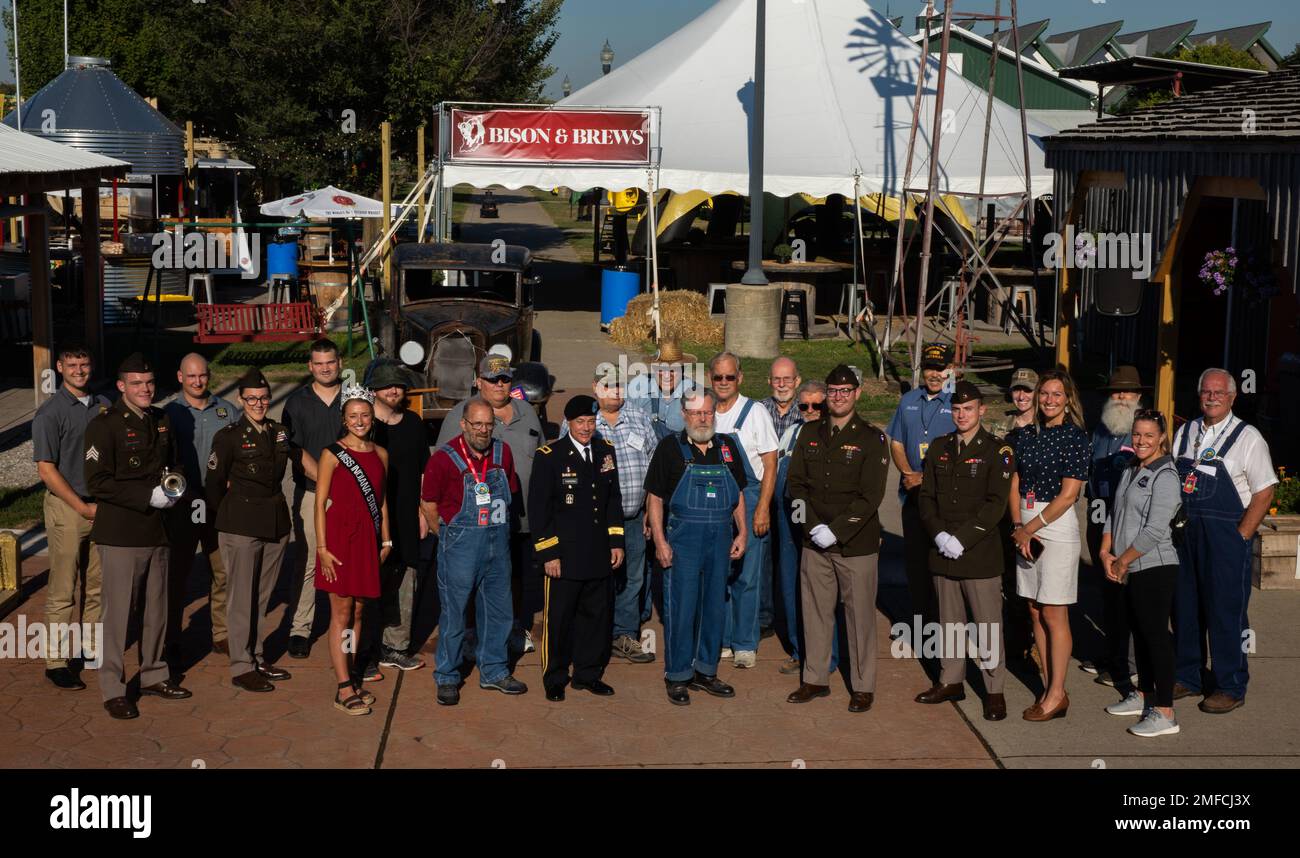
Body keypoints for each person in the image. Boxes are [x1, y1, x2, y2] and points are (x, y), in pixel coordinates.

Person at [84, 353, 192, 719]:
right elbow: (97, 481)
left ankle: (154, 674)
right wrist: (147, 496)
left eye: (148, 383)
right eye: (136, 383)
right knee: (116, 617)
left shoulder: (161, 420)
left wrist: (173, 488)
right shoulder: (105, 425)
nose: (145, 389)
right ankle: (113, 688)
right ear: (121, 386)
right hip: (121, 532)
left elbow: (175, 462)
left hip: (157, 530)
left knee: (156, 611)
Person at [1171, 368, 1276, 715]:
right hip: (1187, 534)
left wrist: (1242, 534)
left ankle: (1230, 685)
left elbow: (1265, 491)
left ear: (1232, 397)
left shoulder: (1248, 438)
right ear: (1199, 394)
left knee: (1225, 612)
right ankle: (1188, 676)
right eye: (1206, 391)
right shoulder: (1185, 432)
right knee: (1185, 607)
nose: (1212, 397)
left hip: (1226, 537)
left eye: (1219, 392)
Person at [785, 365, 889, 713]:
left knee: (859, 616)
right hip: (814, 541)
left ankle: (862, 685)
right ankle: (814, 678)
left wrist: (837, 530)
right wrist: (811, 526)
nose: (839, 396)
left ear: (858, 393)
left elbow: (871, 495)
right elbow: (794, 487)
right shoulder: (809, 433)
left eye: (846, 390)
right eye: (833, 390)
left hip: (854, 544)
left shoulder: (871, 439)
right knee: (814, 612)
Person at [915, 381, 1013, 721]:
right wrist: (940, 535)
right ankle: (951, 680)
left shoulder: (996, 450)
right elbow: (926, 497)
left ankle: (994, 689)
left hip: (980, 553)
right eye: (956, 409)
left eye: (968, 409)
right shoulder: (940, 447)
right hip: (943, 550)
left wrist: (963, 538)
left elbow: (995, 504)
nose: (961, 415)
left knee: (987, 626)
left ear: (981, 411)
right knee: (949, 623)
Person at [422, 398, 529, 705]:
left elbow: (510, 494)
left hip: (497, 543)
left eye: (488, 424)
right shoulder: (443, 459)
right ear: (463, 424)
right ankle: (447, 676)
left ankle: (494, 671)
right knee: (454, 615)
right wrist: (444, 535)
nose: (483, 430)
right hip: (460, 546)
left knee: (499, 610)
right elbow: (429, 503)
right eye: (477, 424)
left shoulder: (502, 452)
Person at [645, 390, 748, 705]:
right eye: (696, 413)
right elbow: (655, 498)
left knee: (714, 607)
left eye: (708, 413)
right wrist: (661, 541)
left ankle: (706, 671)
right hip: (683, 540)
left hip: (719, 538)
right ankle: (677, 675)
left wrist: (742, 533)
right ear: (684, 415)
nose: (703, 419)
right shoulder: (670, 448)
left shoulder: (727, 447)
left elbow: (739, 494)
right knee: (682, 608)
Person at [436, 353, 543, 655]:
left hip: (520, 516)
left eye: (505, 378)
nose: (499, 384)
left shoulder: (528, 412)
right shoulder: (461, 415)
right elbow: (441, 468)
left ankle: (514, 628)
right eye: (492, 379)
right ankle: (471, 632)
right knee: (470, 578)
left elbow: (543, 456)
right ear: (478, 381)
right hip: (474, 520)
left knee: (518, 576)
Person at [529, 395, 626, 701]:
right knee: (559, 620)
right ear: (568, 423)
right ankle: (555, 677)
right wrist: (548, 553)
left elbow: (612, 500)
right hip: (565, 556)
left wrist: (616, 541)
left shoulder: (605, 451)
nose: (586, 428)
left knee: (596, 619)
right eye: (580, 422)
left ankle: (588, 674)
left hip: (597, 553)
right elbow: (539, 509)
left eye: (591, 421)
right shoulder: (550, 456)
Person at [205, 369, 293, 693]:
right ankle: (241, 666)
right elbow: (213, 484)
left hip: (275, 523)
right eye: (252, 398)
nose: (259, 403)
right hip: (241, 524)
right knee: (241, 599)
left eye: (264, 397)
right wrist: (229, 513)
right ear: (240, 401)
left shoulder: (279, 432)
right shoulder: (228, 436)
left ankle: (256, 656)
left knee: (262, 596)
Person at [1009, 369, 1089, 722]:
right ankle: (1047, 685)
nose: (1050, 400)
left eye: (1057, 394)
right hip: (1024, 522)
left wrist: (1031, 528)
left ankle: (1057, 693)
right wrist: (1018, 526)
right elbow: (1015, 481)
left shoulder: (1074, 438)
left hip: (1053, 527)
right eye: (1045, 394)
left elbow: (1069, 495)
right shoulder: (1025, 434)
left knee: (1054, 612)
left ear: (1068, 399)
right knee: (1034, 609)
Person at [1099, 409, 1183, 737]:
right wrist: (1106, 552)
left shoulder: (1166, 475)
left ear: (1161, 437)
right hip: (1126, 564)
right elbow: (1114, 513)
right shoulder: (1132, 467)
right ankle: (1144, 695)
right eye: (1137, 434)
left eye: (1149, 435)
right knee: (1140, 633)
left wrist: (1122, 562)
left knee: (1156, 638)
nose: (1141, 441)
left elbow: (1153, 531)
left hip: (1154, 565)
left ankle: (1165, 711)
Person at [33, 344, 112, 690]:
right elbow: (46, 470)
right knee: (64, 587)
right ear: (61, 368)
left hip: (102, 506)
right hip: (68, 506)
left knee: (97, 585)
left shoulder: (104, 406)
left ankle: (92, 648)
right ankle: (56, 660)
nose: (80, 370)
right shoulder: (50, 413)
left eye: (85, 363)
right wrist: (80, 507)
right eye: (73, 364)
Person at [315, 384, 390, 716]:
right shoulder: (332, 453)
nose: (359, 421)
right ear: (344, 419)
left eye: (365, 415)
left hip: (368, 541)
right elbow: (319, 505)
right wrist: (322, 548)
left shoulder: (381, 454)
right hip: (339, 541)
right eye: (353, 416)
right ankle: (344, 685)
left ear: (372, 417)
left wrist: (386, 540)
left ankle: (351, 672)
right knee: (341, 613)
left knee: (359, 611)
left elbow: (382, 500)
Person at [576, 367, 658, 664]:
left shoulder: (639, 417)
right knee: (596, 576)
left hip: (634, 517)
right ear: (596, 386)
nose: (616, 391)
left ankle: (624, 634)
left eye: (621, 385)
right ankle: (594, 633)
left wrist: (651, 509)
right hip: (594, 521)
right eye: (609, 385)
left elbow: (654, 466)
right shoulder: (583, 421)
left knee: (633, 577)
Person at [163, 353, 239, 665]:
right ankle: (170, 638)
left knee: (221, 572)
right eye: (191, 376)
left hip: (217, 505)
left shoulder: (227, 411)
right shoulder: (169, 413)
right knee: (176, 575)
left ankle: (221, 634)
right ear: (180, 377)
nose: (198, 382)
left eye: (203, 376)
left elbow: (238, 456)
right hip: (183, 505)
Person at [709, 352, 777, 669]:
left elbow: (770, 462)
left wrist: (763, 506)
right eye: (718, 377)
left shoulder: (756, 412)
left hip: (750, 498)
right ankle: (721, 639)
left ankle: (745, 643)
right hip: (716, 501)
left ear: (740, 378)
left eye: (729, 377)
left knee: (748, 576)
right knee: (719, 574)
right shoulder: (706, 412)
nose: (724, 383)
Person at [362, 360, 430, 676]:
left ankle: (395, 647)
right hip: (369, 518)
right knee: (368, 583)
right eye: (387, 385)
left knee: (405, 581)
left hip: (405, 515)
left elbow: (422, 473)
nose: (393, 390)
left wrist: (422, 512)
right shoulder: (362, 424)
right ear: (373, 390)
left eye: (399, 385)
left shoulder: (414, 423)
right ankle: (364, 650)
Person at [887, 343, 955, 656]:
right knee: (915, 568)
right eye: (929, 368)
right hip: (912, 497)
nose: (934, 374)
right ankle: (919, 629)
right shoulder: (908, 400)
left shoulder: (957, 402)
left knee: (942, 568)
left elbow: (962, 451)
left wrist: (926, 478)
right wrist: (909, 474)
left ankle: (946, 633)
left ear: (950, 370)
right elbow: (897, 442)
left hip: (945, 501)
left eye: (940, 369)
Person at [1083, 366, 1146, 689]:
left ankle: (1131, 664)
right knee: (1107, 593)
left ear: (1138, 396)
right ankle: (1113, 653)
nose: (1121, 396)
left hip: (1128, 527)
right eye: (1116, 391)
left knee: (1128, 596)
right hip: (1099, 522)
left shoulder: (1143, 432)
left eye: (1127, 392)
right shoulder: (1102, 429)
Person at [281, 338, 343, 659]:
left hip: (350, 495)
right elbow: (294, 449)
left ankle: (344, 629)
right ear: (310, 366)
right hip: (311, 492)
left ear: (339, 363)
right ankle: (300, 628)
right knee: (308, 561)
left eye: (330, 362)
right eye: (319, 363)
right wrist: (325, 479)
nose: (325, 368)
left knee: (346, 562)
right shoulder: (297, 403)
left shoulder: (352, 399)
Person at [771, 380, 837, 676]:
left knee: (821, 589)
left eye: (817, 406)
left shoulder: (834, 435)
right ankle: (800, 650)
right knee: (791, 584)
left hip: (821, 519)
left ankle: (827, 655)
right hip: (789, 517)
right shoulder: (791, 432)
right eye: (804, 406)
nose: (810, 411)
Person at [758, 356, 802, 639]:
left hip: (793, 496)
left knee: (791, 557)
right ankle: (763, 617)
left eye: (787, 379)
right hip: (763, 491)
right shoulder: (758, 410)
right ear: (769, 381)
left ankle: (791, 616)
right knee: (762, 556)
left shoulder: (809, 408)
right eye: (777, 379)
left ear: (797, 381)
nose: (782, 384)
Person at [625, 339, 699, 440]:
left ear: (682, 369)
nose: (666, 376)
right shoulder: (638, 387)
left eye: (672, 370)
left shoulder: (696, 393)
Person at [987, 367, 1037, 438]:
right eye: (1016, 390)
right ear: (1011, 392)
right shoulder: (1000, 425)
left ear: (1037, 392)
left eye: (1027, 390)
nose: (1021, 397)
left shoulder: (1046, 425)